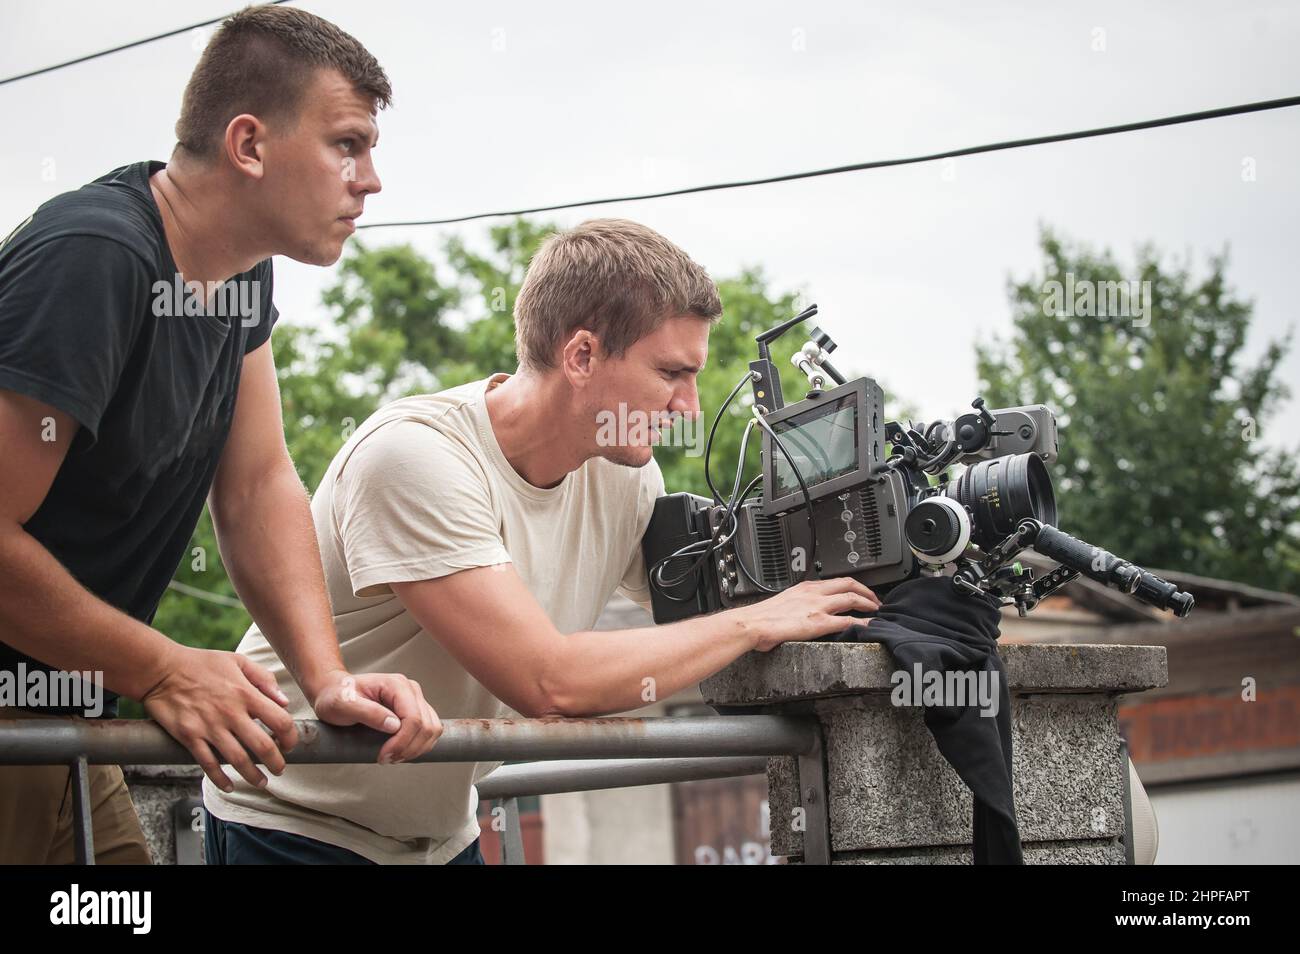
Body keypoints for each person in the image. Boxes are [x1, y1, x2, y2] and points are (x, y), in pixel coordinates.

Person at [201, 218, 881, 864]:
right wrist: (757, 622)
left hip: (440, 834)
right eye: (671, 373)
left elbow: (701, 614)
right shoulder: (413, 460)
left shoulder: (624, 476)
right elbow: (548, 683)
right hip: (293, 821)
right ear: (581, 355)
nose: (690, 409)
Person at [0, 5, 439, 865]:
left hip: (67, 712)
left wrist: (327, 680)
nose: (371, 179)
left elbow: (255, 486)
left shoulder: (240, 276)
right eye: (347, 145)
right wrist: (162, 667)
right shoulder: (96, 256)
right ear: (249, 145)